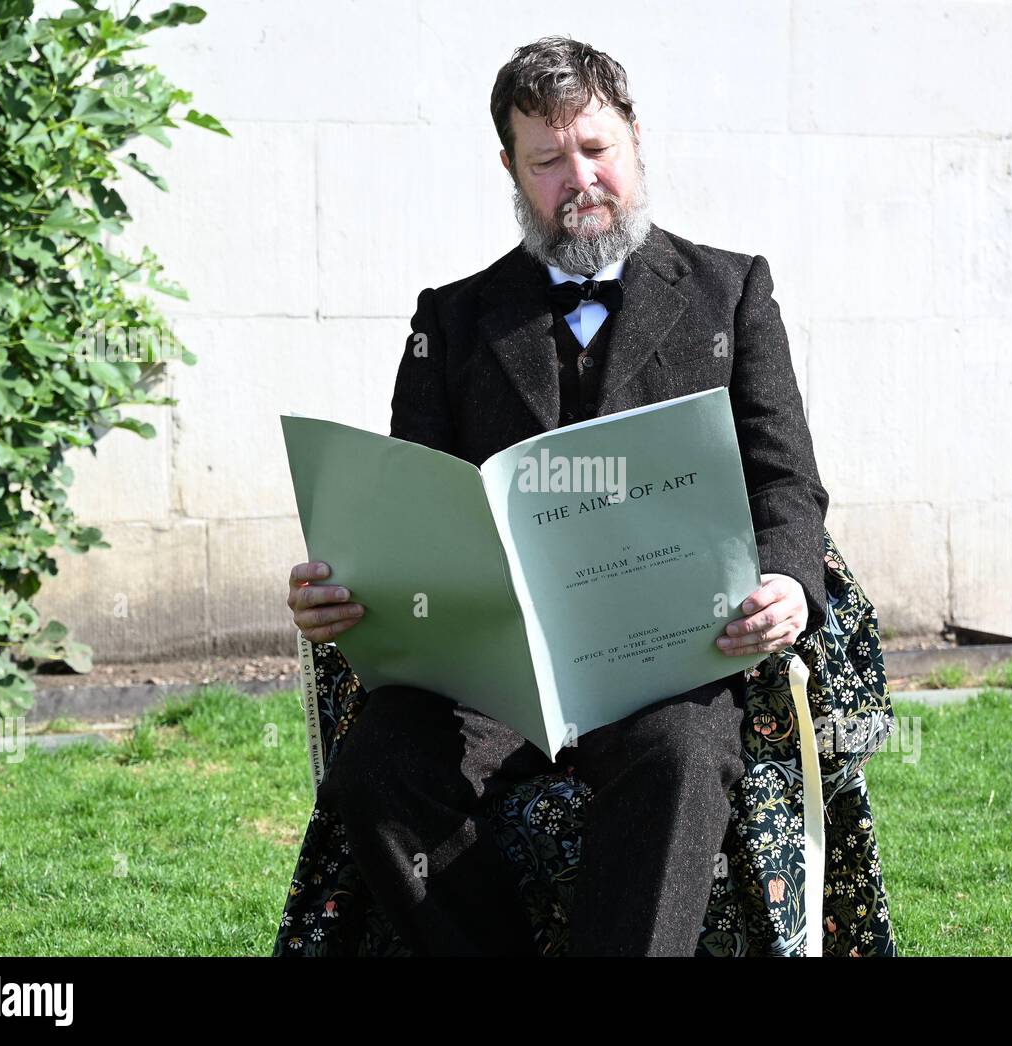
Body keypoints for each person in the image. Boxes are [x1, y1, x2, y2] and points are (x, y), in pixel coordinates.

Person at [285, 35, 830, 957]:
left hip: (666, 657)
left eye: (596, 150)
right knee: (379, 766)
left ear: (635, 140)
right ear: (510, 167)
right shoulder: (451, 319)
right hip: (490, 675)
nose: (578, 179)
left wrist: (788, 584)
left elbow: (786, 480)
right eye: (546, 160)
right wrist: (340, 587)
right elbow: (406, 507)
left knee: (683, 759)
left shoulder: (731, 293)